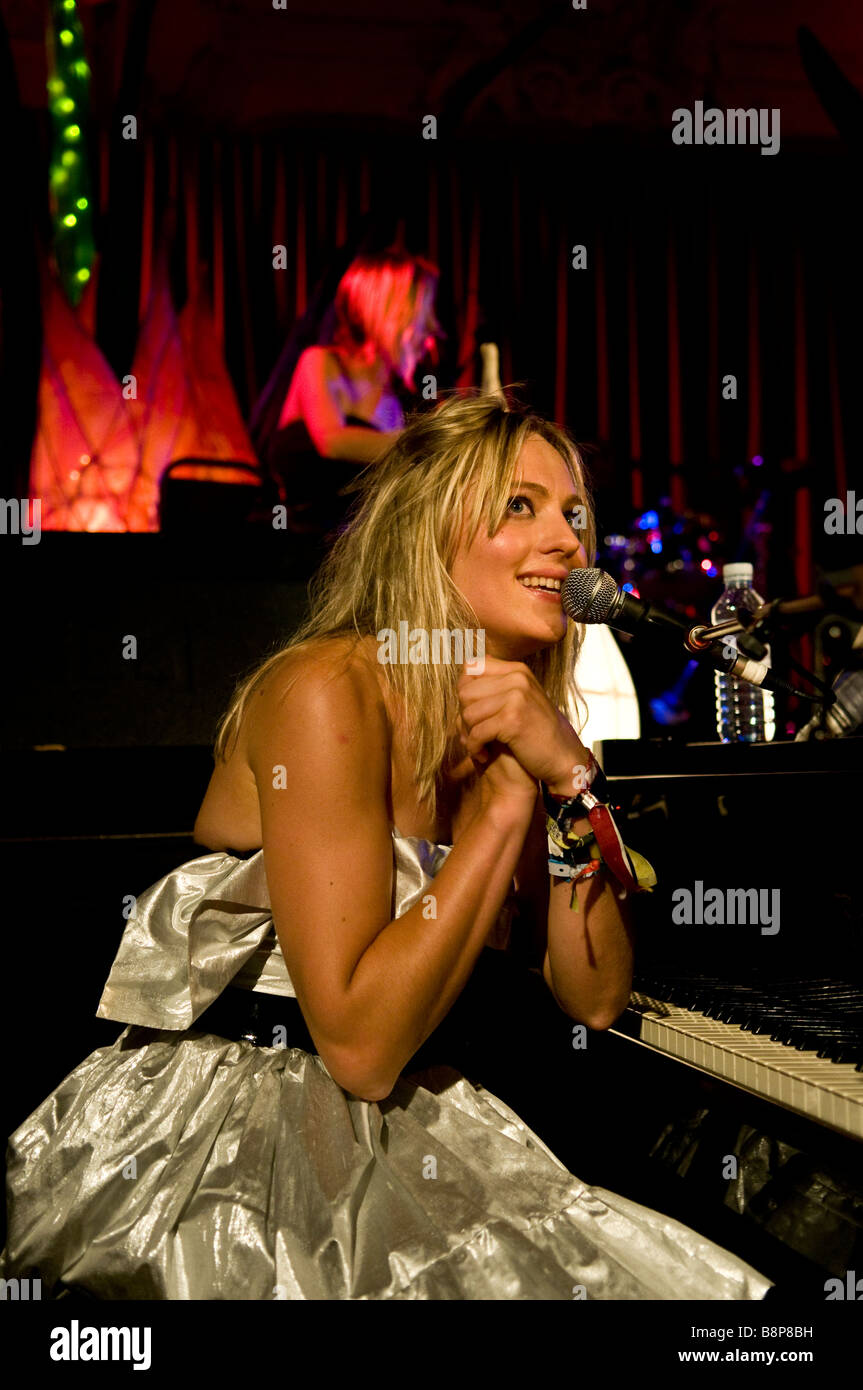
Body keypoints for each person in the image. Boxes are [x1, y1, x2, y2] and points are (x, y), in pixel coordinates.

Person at [0, 393, 773, 1300]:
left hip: (412, 1103)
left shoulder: (519, 721)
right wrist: (500, 808)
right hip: (243, 1128)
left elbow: (594, 996)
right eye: (518, 506)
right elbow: (359, 1046)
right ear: (425, 533)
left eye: (572, 514)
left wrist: (571, 782)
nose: (567, 542)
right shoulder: (327, 692)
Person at [266, 249, 442, 538]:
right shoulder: (320, 363)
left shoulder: (402, 403)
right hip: (295, 554)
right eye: (424, 311)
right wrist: (430, 446)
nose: (433, 328)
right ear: (385, 309)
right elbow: (332, 442)